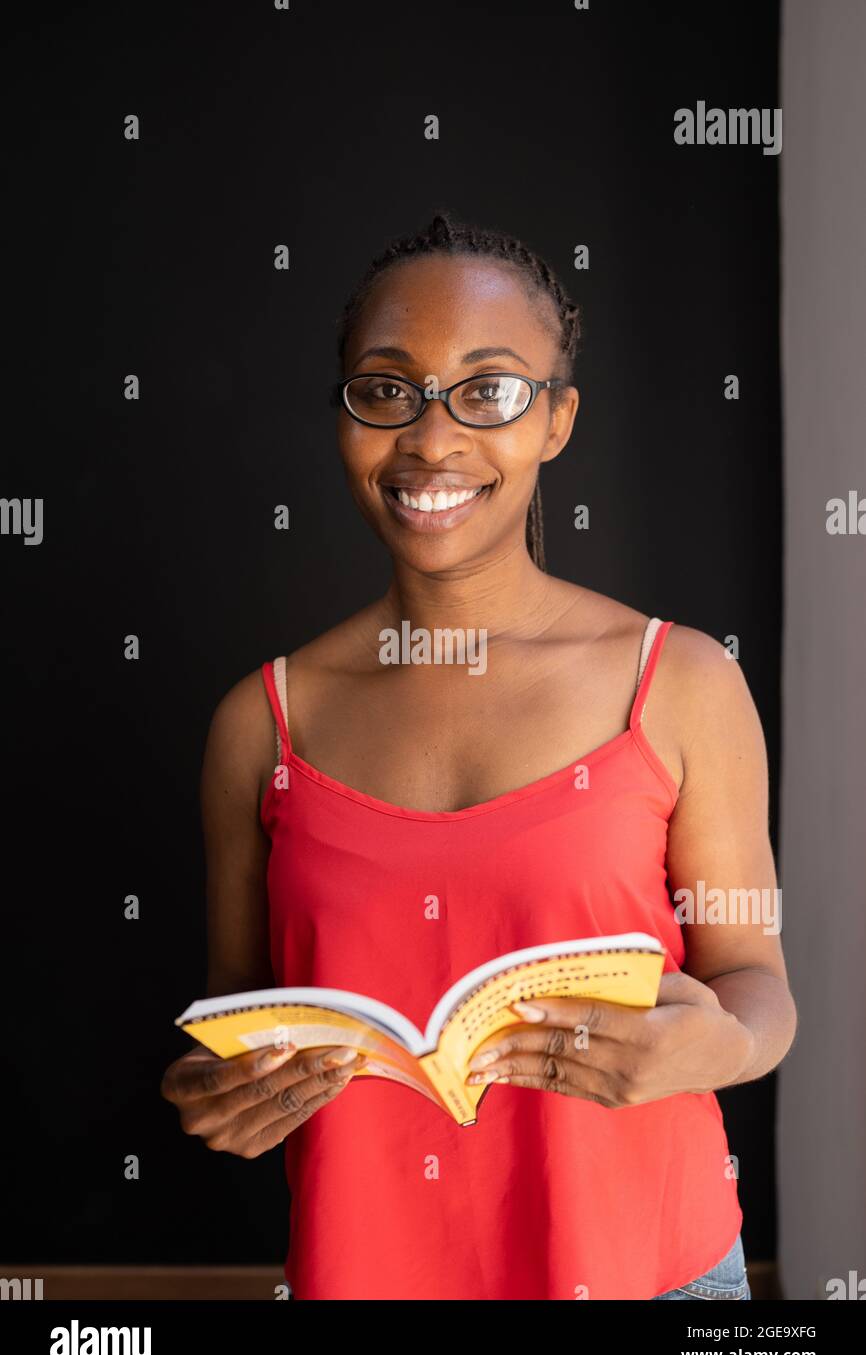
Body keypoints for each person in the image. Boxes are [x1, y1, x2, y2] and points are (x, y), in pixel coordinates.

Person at [160, 212, 797, 1300]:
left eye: (487, 390)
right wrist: (215, 1093)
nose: (430, 438)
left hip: (653, 1273)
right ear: (344, 418)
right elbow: (233, 1013)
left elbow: (755, 984)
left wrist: (722, 1047)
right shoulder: (261, 725)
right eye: (386, 388)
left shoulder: (679, 681)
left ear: (554, 420)